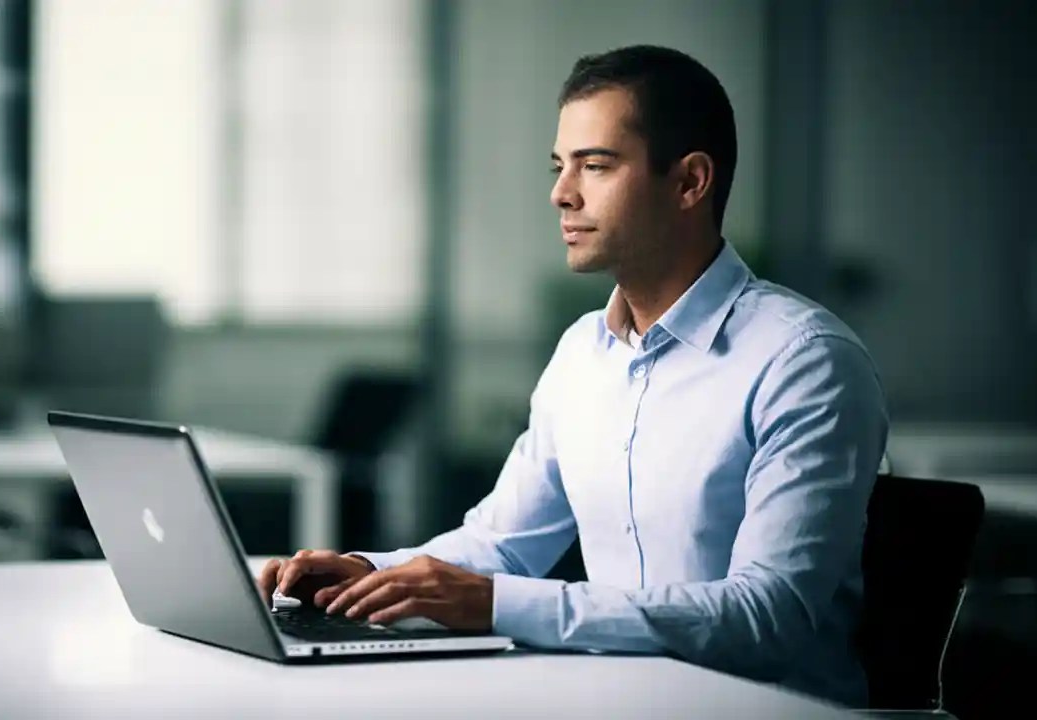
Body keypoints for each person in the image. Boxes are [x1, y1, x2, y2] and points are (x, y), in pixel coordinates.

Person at [257, 44, 888, 707]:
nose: (561, 193)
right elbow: (500, 544)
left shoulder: (805, 360)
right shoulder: (582, 355)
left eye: (596, 165)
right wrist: (364, 573)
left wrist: (498, 605)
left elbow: (767, 618)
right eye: (561, 166)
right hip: (611, 697)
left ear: (689, 182)